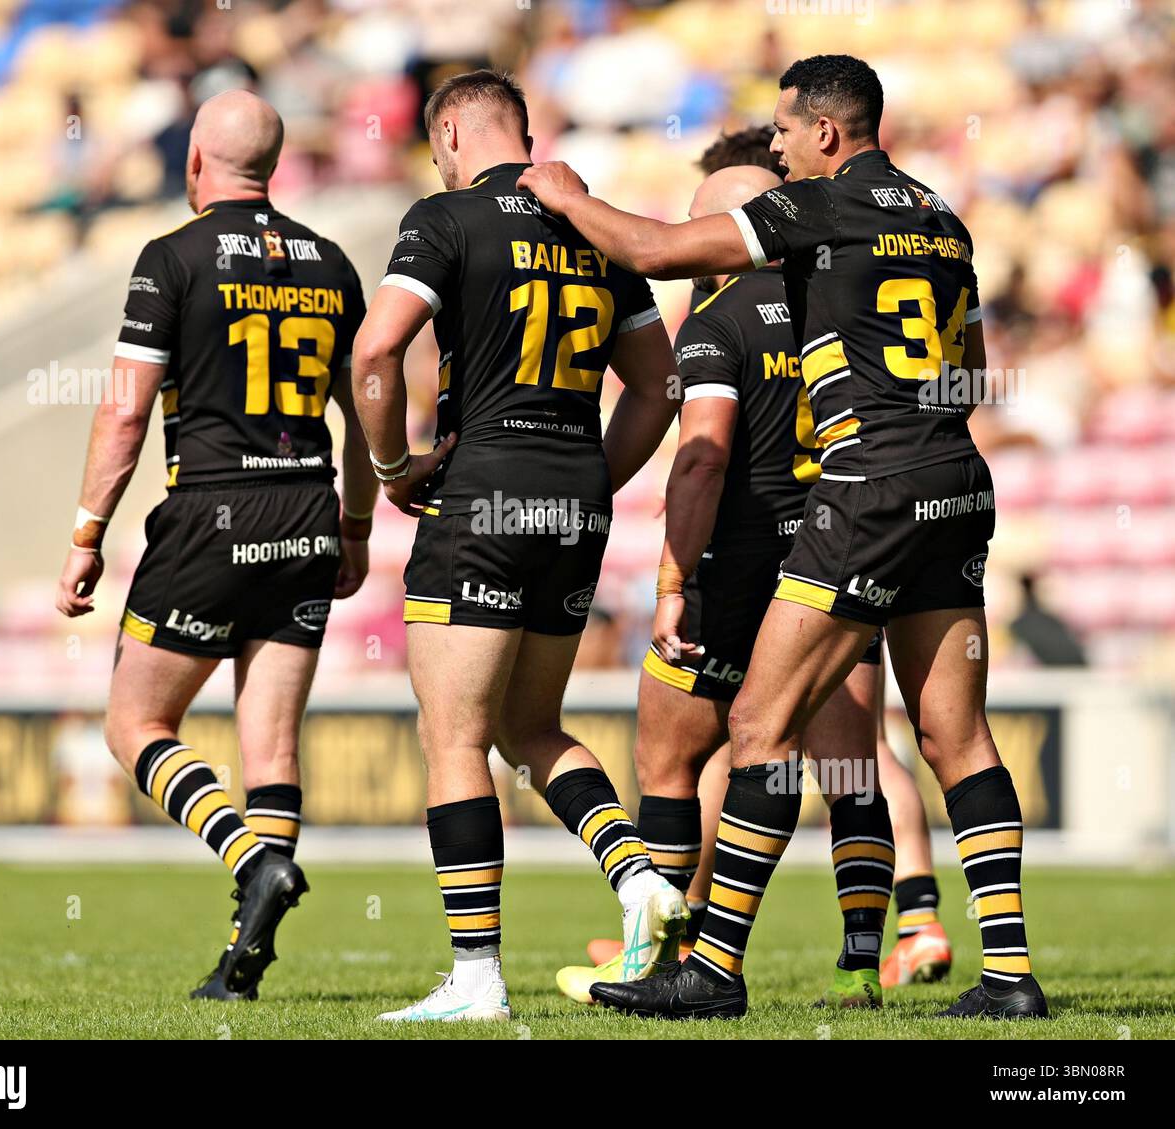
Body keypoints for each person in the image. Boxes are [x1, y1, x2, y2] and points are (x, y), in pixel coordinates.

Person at [520, 54, 1048, 1020]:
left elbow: (656, 250)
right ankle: (1010, 977)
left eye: (784, 129)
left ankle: (712, 969)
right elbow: (968, 368)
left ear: (829, 134)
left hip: (869, 490)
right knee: (956, 736)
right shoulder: (944, 218)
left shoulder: (823, 204)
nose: (775, 143)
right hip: (957, 480)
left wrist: (560, 193)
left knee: (760, 726)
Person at [351, 69, 686, 1023]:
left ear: (451, 130)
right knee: (531, 728)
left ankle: (476, 977)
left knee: (454, 738)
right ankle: (639, 881)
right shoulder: (590, 219)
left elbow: (375, 352)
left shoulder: (445, 217)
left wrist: (389, 468)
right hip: (574, 501)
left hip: (481, 489)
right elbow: (658, 384)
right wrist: (591, 477)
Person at [55, 90, 375, 1001]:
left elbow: (123, 409)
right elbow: (366, 412)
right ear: (274, 165)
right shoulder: (330, 260)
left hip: (212, 510)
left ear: (196, 161)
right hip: (309, 509)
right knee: (269, 747)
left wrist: (87, 534)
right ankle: (245, 963)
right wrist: (355, 525)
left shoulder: (172, 257)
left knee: (135, 724)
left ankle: (248, 859)